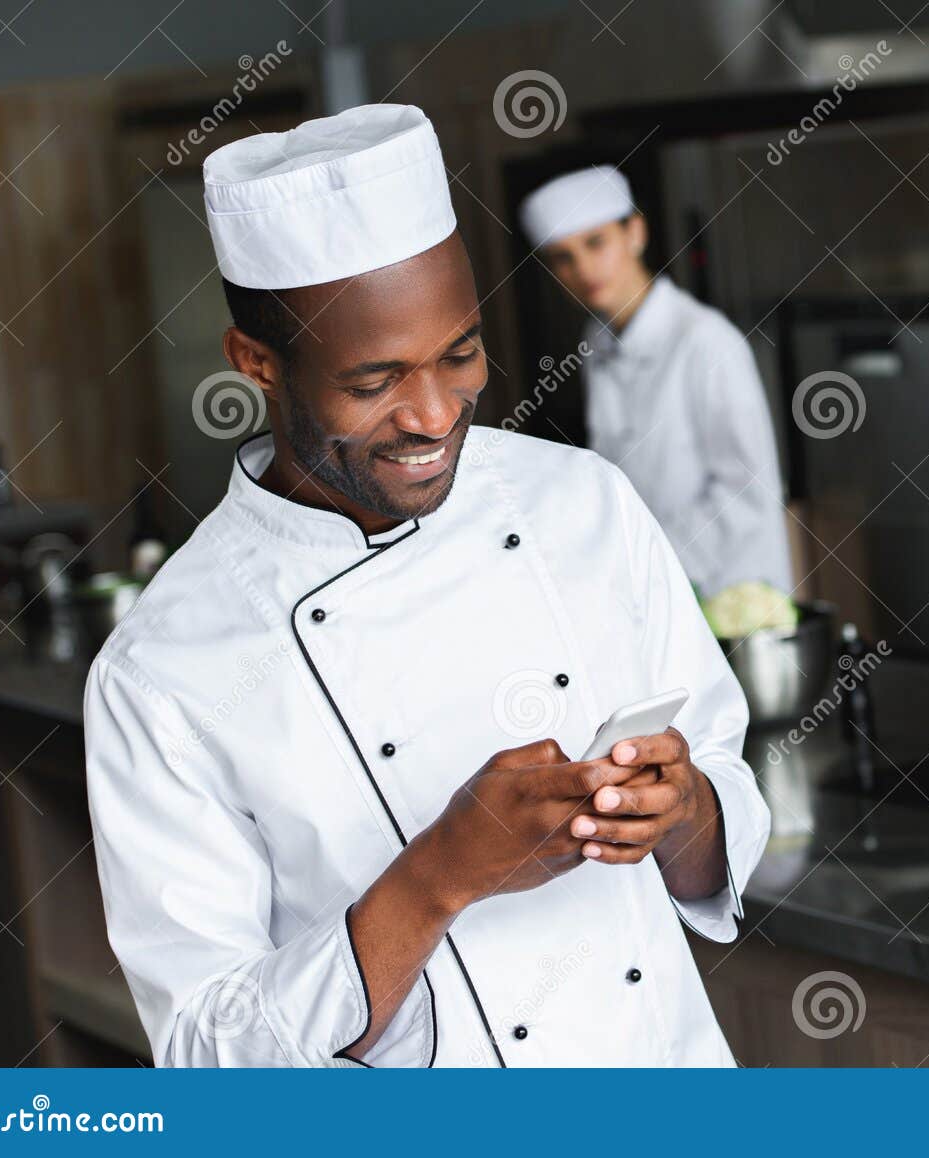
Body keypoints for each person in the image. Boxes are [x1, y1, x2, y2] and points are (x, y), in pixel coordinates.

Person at [83, 104, 770, 1067]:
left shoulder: (583, 504)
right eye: (375, 383)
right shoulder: (165, 669)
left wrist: (688, 808)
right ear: (257, 365)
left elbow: (725, 788)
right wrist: (439, 876)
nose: (436, 414)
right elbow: (208, 1052)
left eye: (459, 354)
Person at [519, 165, 794, 597]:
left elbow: (748, 490)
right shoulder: (596, 344)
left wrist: (653, 562)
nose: (584, 268)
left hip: (731, 590)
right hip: (651, 586)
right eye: (564, 258)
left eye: (596, 243)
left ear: (636, 233)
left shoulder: (705, 341)